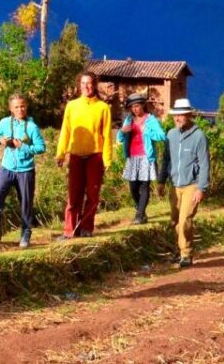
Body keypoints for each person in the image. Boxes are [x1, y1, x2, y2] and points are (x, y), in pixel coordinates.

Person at [56, 72, 112, 239]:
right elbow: (65, 131)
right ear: (78, 85)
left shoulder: (103, 108)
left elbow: (107, 134)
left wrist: (107, 159)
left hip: (95, 155)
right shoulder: (72, 106)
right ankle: (70, 231)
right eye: (83, 83)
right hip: (75, 155)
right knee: (74, 195)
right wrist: (60, 153)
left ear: (94, 85)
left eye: (89, 83)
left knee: (93, 194)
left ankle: (86, 228)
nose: (86, 86)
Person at [0, 94, 46, 248]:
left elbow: (41, 147)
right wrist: (0, 140)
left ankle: (26, 233)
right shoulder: (5, 123)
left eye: (22, 106)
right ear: (11, 109)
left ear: (26, 107)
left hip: (26, 170)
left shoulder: (32, 127)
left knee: (26, 203)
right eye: (16, 107)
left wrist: (24, 147)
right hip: (6, 167)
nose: (20, 109)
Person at [157, 98, 210, 268]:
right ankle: (178, 250)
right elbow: (166, 159)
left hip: (191, 185)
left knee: (185, 218)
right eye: (175, 116)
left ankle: (186, 253)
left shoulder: (199, 136)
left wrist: (201, 188)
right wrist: (161, 181)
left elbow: (204, 164)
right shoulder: (171, 135)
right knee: (175, 220)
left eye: (181, 115)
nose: (177, 118)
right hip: (175, 184)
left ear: (189, 115)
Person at [116, 93, 166, 224]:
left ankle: (139, 215)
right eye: (132, 107)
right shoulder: (129, 120)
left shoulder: (151, 120)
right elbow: (119, 139)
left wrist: (148, 131)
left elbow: (161, 136)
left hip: (146, 157)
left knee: (144, 186)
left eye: (137, 106)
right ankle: (140, 209)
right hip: (132, 157)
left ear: (143, 105)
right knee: (133, 187)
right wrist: (122, 132)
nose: (135, 109)